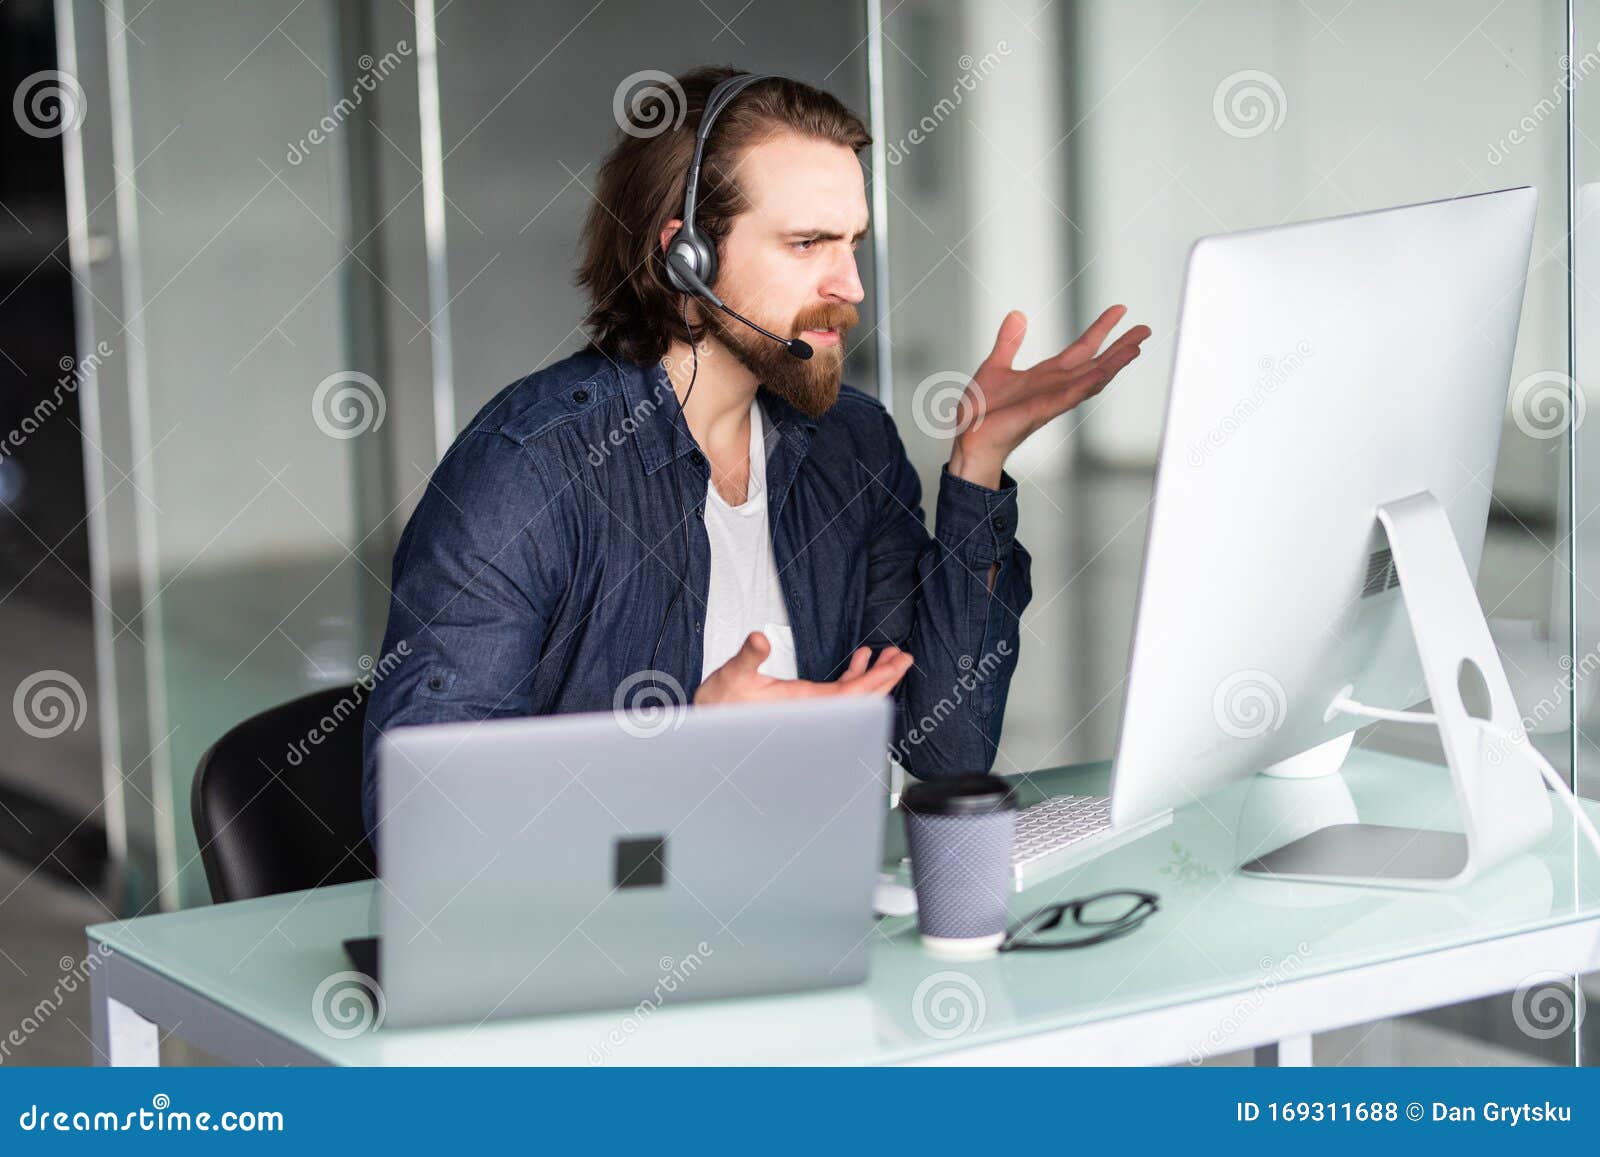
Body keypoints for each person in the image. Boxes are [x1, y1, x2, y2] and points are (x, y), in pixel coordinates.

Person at [359, 66, 1149, 850]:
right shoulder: (526, 471)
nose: (851, 287)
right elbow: (424, 822)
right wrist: (682, 746)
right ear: (687, 261)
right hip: (605, 953)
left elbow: (947, 751)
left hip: (808, 917)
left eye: (852, 244)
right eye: (808, 243)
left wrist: (979, 462)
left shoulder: (852, 444)